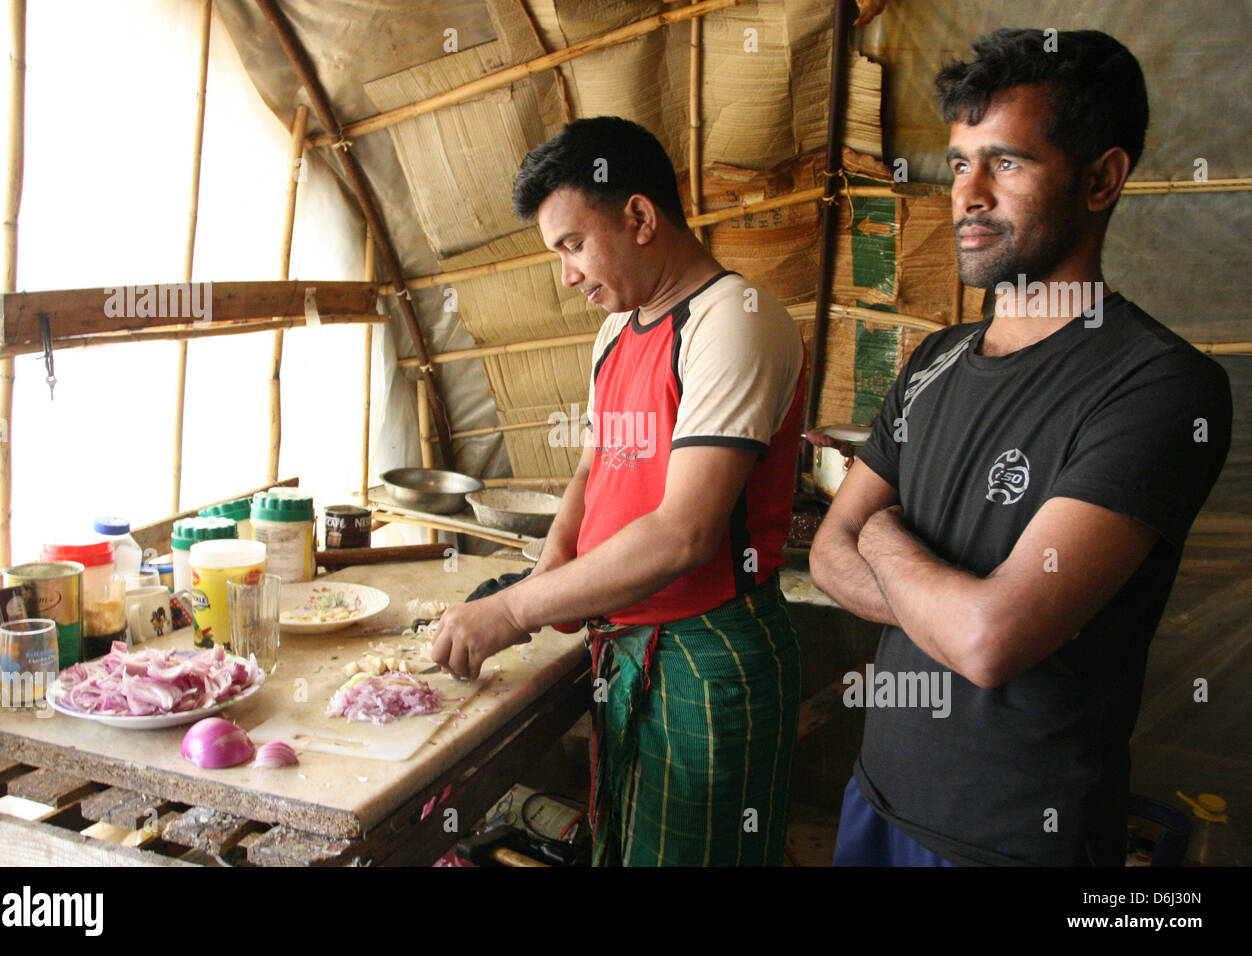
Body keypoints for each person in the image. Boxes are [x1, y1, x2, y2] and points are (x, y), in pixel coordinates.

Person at [810, 28, 1232, 866]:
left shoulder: (1159, 385)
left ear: (1101, 178)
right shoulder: (935, 361)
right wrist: (958, 608)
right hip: (879, 793)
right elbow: (828, 555)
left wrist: (886, 537)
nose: (967, 193)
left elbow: (990, 643)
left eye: (1005, 163)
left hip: (1012, 839)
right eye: (960, 162)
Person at [429, 116, 807, 866]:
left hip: (709, 654)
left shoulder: (731, 321)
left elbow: (685, 534)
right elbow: (591, 473)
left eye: (572, 244)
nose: (566, 274)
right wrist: (547, 591)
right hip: (629, 647)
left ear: (638, 216)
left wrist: (510, 608)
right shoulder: (619, 332)